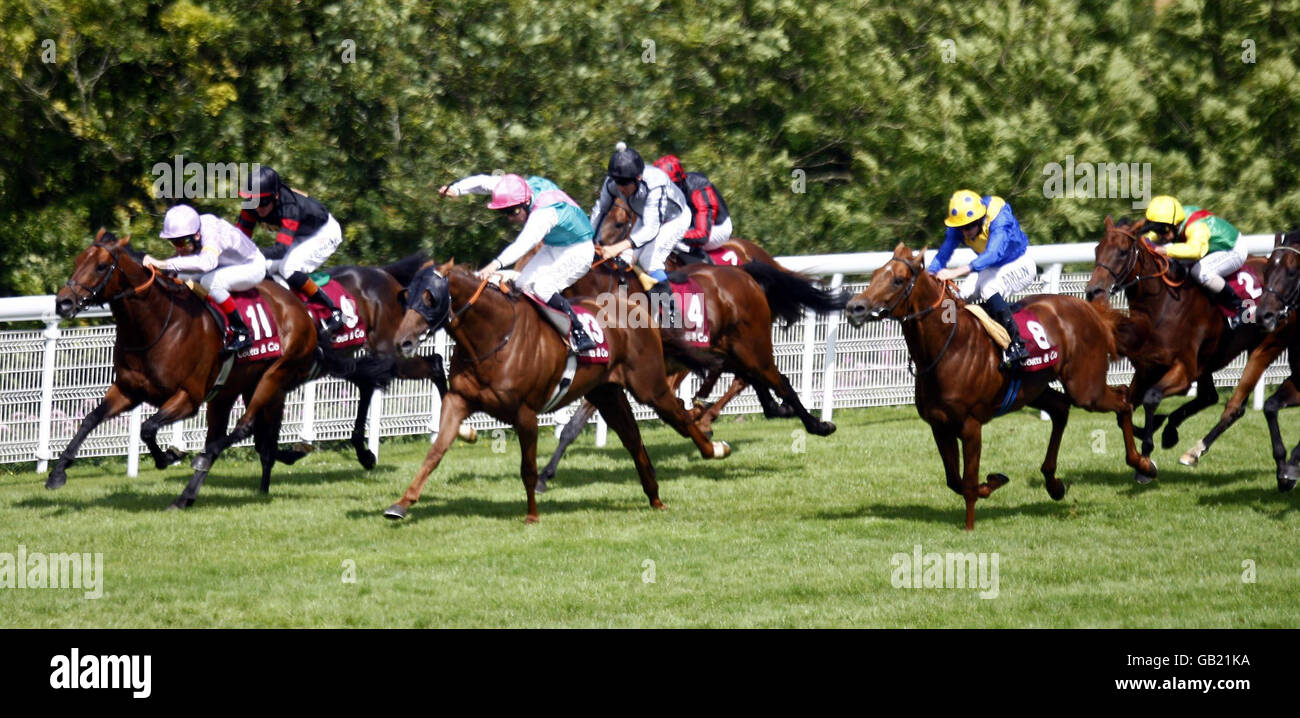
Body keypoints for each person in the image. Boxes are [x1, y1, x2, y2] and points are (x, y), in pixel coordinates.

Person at [440, 173, 597, 352]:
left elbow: (522, 245)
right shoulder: (518, 188)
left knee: (542, 288)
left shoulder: (544, 214)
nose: (510, 218)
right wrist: (456, 189)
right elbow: (483, 182)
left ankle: (579, 332)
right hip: (556, 245)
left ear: (525, 203)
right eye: (504, 212)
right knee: (522, 284)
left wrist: (494, 265)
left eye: (513, 211)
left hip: (580, 250)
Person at [927, 189, 1036, 366]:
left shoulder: (999, 217)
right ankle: (952, 339)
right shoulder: (963, 226)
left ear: (979, 219)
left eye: (969, 227)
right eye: (961, 228)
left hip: (1020, 263)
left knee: (988, 288)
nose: (965, 232)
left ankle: (1016, 344)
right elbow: (944, 252)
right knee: (964, 294)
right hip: (991, 267)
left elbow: (993, 253)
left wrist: (955, 272)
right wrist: (930, 273)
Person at [236, 166, 345, 336]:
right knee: (262, 266)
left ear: (276, 196)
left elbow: (280, 250)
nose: (257, 208)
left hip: (324, 233)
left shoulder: (290, 208)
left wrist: (251, 254)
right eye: (253, 201)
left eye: (263, 202)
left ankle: (333, 310)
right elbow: (239, 240)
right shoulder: (252, 205)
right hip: (300, 234)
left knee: (288, 268)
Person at [143, 204, 266, 353]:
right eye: (174, 242)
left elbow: (207, 263)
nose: (178, 248)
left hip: (252, 266)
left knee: (211, 282)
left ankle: (242, 332)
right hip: (225, 264)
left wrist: (162, 263)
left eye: (181, 242)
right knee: (183, 276)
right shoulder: (194, 229)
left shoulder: (211, 233)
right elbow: (184, 263)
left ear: (196, 236)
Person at [592, 143, 691, 325]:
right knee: (624, 259)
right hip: (646, 216)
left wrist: (616, 247)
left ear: (638, 178)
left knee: (650, 261)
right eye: (616, 181)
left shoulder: (656, 183)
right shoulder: (612, 183)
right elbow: (601, 212)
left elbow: (651, 229)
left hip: (674, 218)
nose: (619, 188)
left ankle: (672, 316)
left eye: (624, 183)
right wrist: (591, 241)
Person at [1143, 195, 1248, 328]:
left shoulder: (1197, 227)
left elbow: (1196, 251)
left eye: (1163, 231)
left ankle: (1239, 306)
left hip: (1232, 248)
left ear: (1174, 225)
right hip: (1209, 247)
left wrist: (1165, 250)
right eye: (1158, 231)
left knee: (1201, 271)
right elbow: (1151, 236)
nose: (1161, 236)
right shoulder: (1172, 220)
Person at [653, 154, 732, 261]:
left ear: (680, 180)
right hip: (691, 226)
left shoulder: (699, 190)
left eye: (671, 186)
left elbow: (702, 235)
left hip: (717, 229)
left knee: (672, 243)